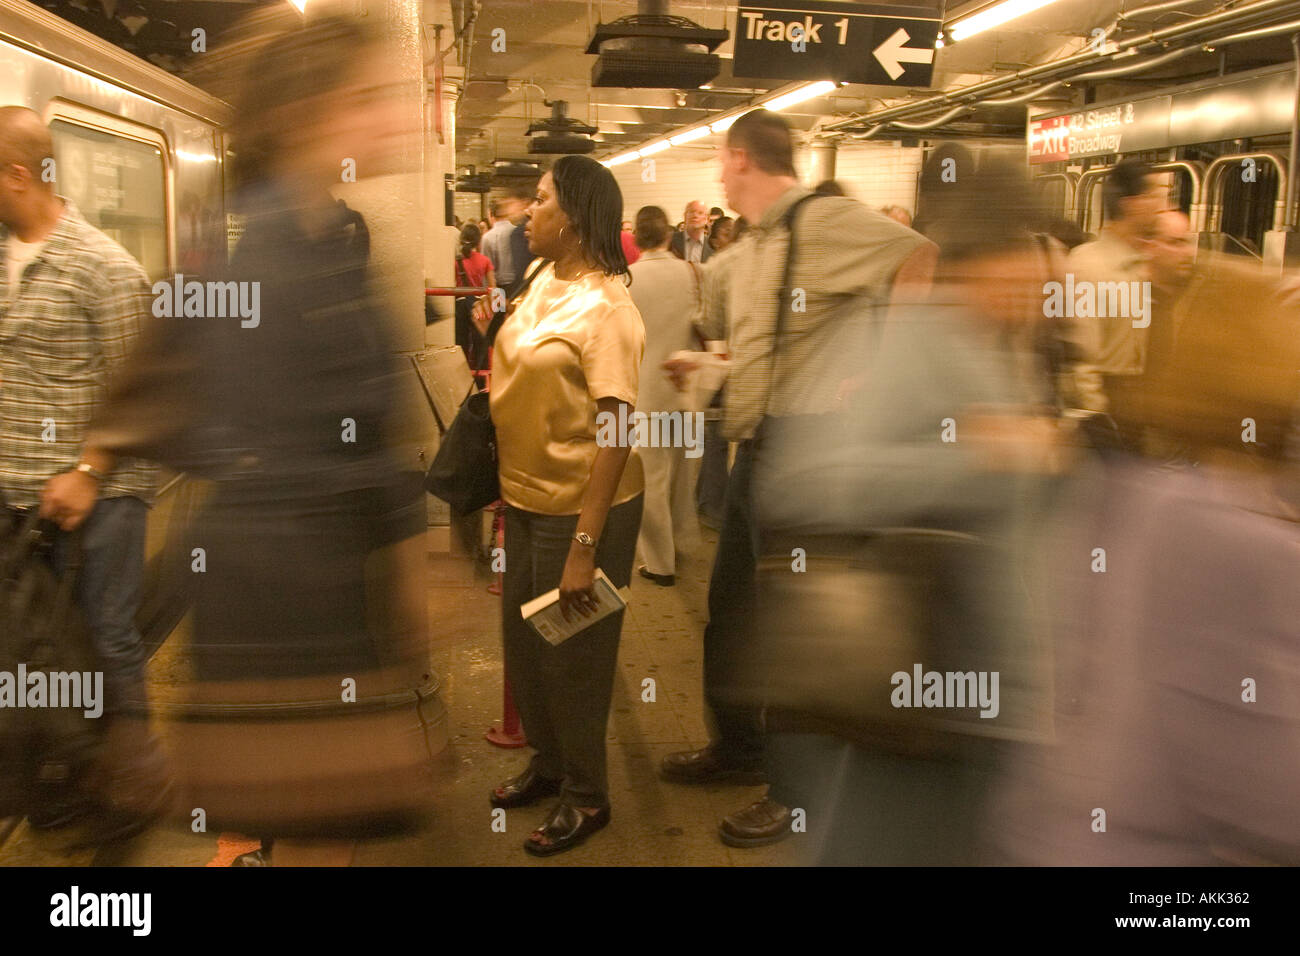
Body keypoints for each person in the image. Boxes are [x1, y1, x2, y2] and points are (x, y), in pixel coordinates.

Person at [90, 11, 433, 866]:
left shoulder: (328, 238)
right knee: (327, 818)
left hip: (306, 584)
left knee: (326, 825)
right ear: (308, 114)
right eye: (369, 99)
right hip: (289, 602)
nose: (395, 118)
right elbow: (275, 449)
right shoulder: (267, 256)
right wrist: (403, 557)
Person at [658, 108, 936, 849]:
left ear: (742, 157)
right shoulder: (761, 244)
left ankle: (796, 793)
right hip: (760, 448)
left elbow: (921, 256)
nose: (718, 173)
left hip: (810, 449)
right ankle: (740, 750)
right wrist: (713, 368)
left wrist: (883, 374)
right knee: (734, 616)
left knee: (793, 627)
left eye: (722, 159)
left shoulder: (825, 221)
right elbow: (772, 351)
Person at [0, 106, 166, 839]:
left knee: (105, 636)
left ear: (16, 174)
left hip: (101, 498)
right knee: (36, 647)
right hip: (17, 500)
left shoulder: (102, 266)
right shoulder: (5, 259)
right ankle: (61, 776)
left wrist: (89, 471)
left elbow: (139, 392)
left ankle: (137, 784)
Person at [479, 155, 645, 856]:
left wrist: (585, 545)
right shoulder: (544, 276)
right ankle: (548, 766)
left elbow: (615, 430)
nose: (526, 213)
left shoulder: (610, 308)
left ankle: (588, 795)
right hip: (524, 494)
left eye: (540, 200)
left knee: (573, 659)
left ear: (571, 218)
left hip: (583, 510)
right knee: (524, 647)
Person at [626, 205, 704, 587]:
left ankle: (660, 563)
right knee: (681, 477)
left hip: (648, 395)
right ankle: (682, 546)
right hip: (688, 394)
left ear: (636, 238)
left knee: (652, 480)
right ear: (669, 236)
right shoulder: (693, 273)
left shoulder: (625, 280)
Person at [1063, 158, 1166, 435]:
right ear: (1131, 203)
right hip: (1108, 411)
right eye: (1155, 196)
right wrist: (1100, 422)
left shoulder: (1145, 265)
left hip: (1141, 408)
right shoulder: (1087, 266)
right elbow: (1082, 359)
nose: (1161, 207)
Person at [453, 222, 495, 370]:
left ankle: (462, 374)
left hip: (459, 305)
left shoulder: (455, 262)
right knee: (481, 343)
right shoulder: (485, 261)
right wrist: (497, 312)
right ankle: (482, 378)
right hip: (478, 305)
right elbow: (493, 287)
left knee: (460, 343)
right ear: (479, 241)